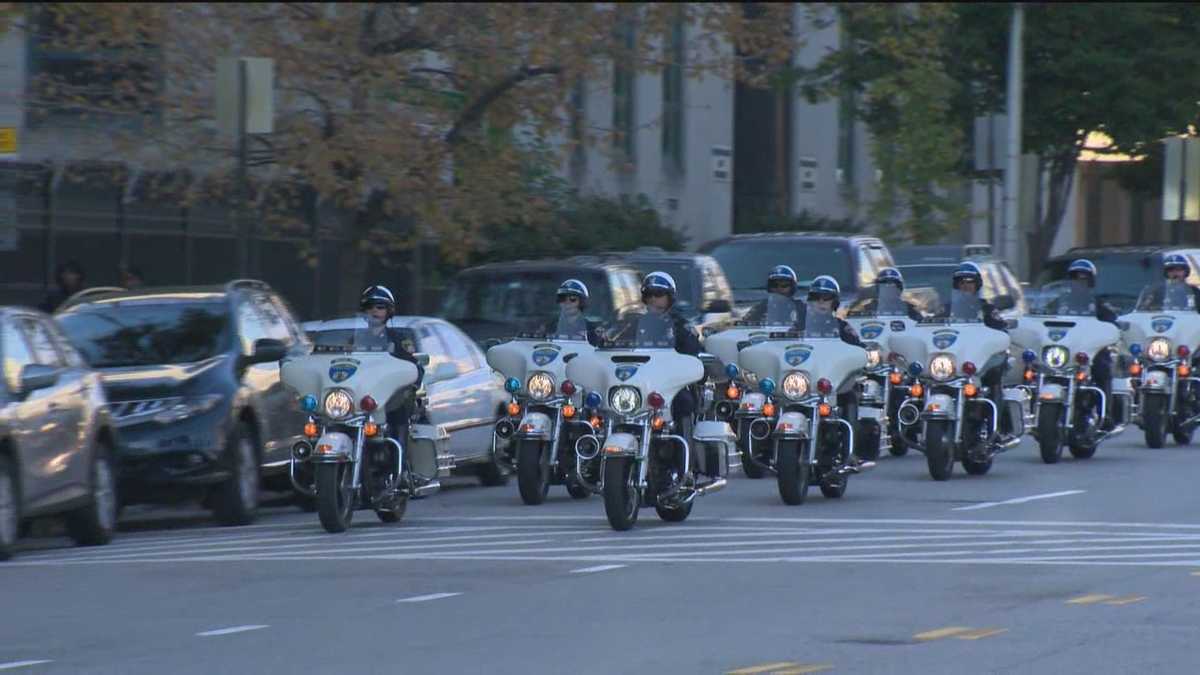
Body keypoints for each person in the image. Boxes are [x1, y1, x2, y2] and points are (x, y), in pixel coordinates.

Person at [799, 275, 874, 471]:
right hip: (808, 383)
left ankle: (850, 451)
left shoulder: (843, 328)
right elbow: (784, 346)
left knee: (849, 396)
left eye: (826, 298)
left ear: (834, 302)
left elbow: (859, 350)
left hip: (835, 382)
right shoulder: (798, 328)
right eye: (817, 298)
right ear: (810, 301)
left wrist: (863, 357)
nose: (821, 302)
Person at [940, 262, 1009, 428]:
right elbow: (932, 326)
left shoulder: (987, 309)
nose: (965, 286)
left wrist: (1001, 329)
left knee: (993, 375)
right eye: (962, 283)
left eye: (969, 282)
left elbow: (1001, 330)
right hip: (956, 357)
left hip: (980, 358)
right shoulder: (947, 309)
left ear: (977, 285)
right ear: (956, 285)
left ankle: (995, 422)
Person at [359, 285, 424, 443]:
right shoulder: (354, 340)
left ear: (389, 311)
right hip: (360, 397)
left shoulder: (399, 340)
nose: (375, 311)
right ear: (364, 312)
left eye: (380, 307)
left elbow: (415, 368)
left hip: (391, 398)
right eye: (370, 307)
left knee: (399, 411)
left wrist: (410, 386)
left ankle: (398, 457)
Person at [1065, 259, 1119, 429]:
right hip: (1066, 350)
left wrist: (1112, 325)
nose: (1079, 283)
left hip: (1091, 351)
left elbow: (1112, 321)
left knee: (1103, 367)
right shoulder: (1060, 302)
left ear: (1090, 282)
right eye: (1075, 279)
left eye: (1083, 279)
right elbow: (1044, 316)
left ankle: (1106, 412)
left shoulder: (1098, 304)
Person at [541, 278, 602, 347]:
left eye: (572, 299)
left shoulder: (591, 329)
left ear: (581, 302)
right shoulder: (549, 327)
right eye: (562, 299)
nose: (567, 303)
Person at [741, 265, 807, 323]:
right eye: (774, 285)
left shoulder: (801, 308)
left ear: (792, 287)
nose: (779, 289)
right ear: (769, 287)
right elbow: (744, 327)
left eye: (784, 285)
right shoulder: (761, 307)